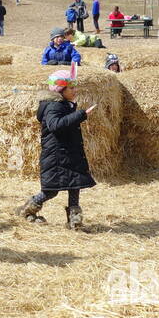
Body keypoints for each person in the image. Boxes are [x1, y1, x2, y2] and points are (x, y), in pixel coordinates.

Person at [19, 70, 97, 230]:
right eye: (71, 88)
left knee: (75, 186)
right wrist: (80, 115)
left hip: (67, 154)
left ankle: (75, 223)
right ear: (60, 91)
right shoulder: (53, 106)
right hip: (56, 157)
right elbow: (55, 125)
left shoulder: (64, 105)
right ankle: (27, 211)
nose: (75, 91)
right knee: (51, 190)